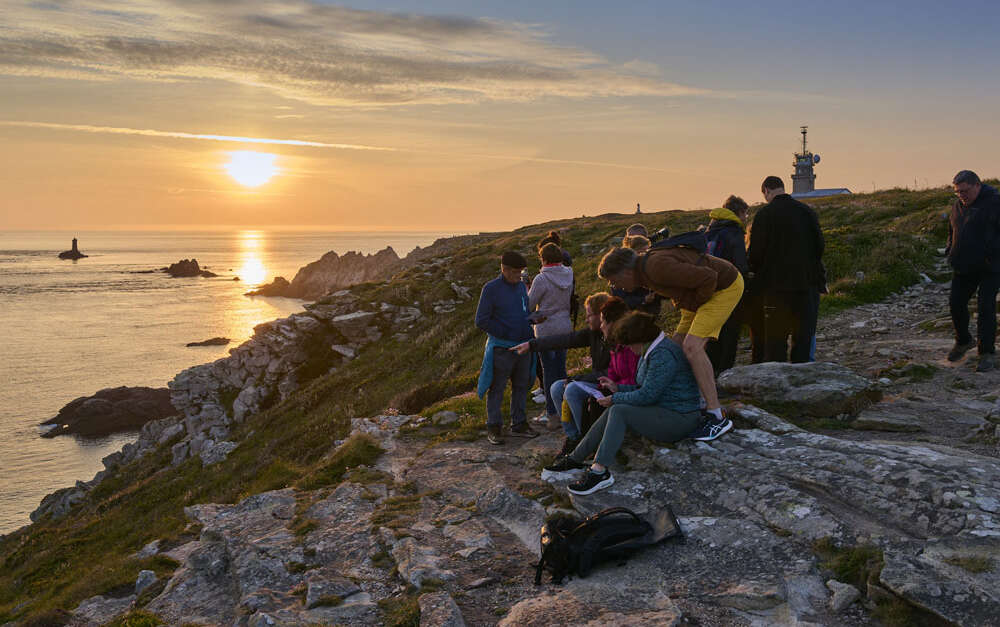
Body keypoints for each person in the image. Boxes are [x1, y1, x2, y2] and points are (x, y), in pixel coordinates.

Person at [543, 311, 702, 495]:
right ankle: (576, 459)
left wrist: (614, 398)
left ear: (638, 339)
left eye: (628, 344)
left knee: (618, 410)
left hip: (680, 418)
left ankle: (599, 471)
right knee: (615, 410)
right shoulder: (653, 349)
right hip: (664, 410)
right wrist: (617, 388)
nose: (628, 349)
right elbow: (646, 388)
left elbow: (647, 395)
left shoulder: (662, 355)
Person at [597, 242, 741, 441]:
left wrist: (694, 304)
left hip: (724, 287)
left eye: (614, 280)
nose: (615, 286)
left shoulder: (656, 267)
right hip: (703, 293)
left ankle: (716, 415)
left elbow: (710, 277)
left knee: (692, 347)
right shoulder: (646, 272)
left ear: (626, 271)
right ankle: (692, 403)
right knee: (674, 347)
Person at [512, 293, 615, 455]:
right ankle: (573, 436)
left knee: (571, 390)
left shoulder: (615, 336)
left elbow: (610, 374)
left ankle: (588, 440)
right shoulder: (593, 333)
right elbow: (565, 340)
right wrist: (532, 345)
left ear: (601, 315)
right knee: (556, 388)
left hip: (611, 385)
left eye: (589, 315)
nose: (586, 319)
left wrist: (575, 379)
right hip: (597, 381)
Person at [746, 176, 824, 364]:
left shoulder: (765, 214)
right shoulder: (806, 212)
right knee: (803, 336)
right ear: (782, 187)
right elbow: (819, 246)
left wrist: (756, 272)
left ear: (766, 190)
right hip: (805, 284)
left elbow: (755, 252)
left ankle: (777, 383)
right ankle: (801, 377)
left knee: (776, 339)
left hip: (775, 288)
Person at [474, 251, 540, 445]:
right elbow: (481, 320)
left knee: (521, 386)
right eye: (516, 272)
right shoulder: (491, 289)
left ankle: (518, 424)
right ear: (505, 269)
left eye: (521, 272)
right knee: (497, 388)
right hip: (502, 348)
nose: (520, 276)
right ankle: (494, 427)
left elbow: (523, 310)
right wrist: (506, 332)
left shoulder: (520, 286)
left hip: (523, 346)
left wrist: (532, 318)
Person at [946, 170, 1000, 372]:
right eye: (958, 192)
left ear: (977, 185)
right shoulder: (957, 205)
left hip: (991, 266)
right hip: (964, 264)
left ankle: (986, 353)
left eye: (965, 191)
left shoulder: (995, 203)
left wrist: (993, 253)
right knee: (956, 303)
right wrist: (950, 248)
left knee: (986, 306)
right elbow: (952, 229)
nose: (962, 195)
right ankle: (964, 341)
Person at [528, 243, 575, 429]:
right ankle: (566, 410)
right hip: (564, 325)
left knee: (548, 371)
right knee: (561, 370)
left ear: (543, 259)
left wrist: (527, 289)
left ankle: (552, 414)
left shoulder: (541, 278)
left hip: (546, 328)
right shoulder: (569, 274)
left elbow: (530, 305)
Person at [704, 195, 750, 374]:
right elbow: (740, 265)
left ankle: (709, 372)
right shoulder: (733, 231)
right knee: (730, 333)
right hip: (729, 289)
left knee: (712, 334)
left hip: (708, 289)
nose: (746, 218)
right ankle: (725, 375)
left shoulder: (710, 230)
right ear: (738, 213)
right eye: (745, 214)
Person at [612, 235, 662, 316]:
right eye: (641, 253)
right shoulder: (621, 273)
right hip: (633, 315)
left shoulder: (648, 266)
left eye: (647, 252)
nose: (644, 256)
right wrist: (643, 299)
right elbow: (623, 299)